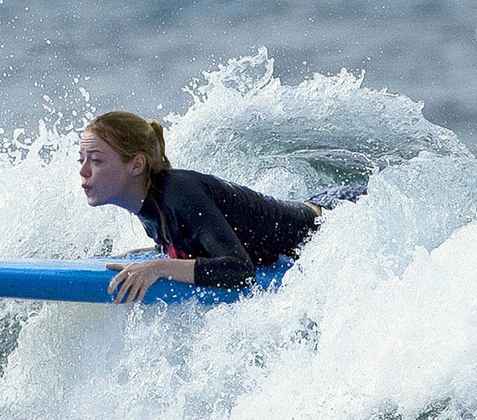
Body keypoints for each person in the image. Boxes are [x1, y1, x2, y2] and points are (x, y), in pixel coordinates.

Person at [78, 110, 367, 303]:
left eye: (97, 160)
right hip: (321, 213)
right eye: (81, 159)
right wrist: (151, 256)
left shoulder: (178, 192)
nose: (84, 171)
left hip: (342, 217)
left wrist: (157, 267)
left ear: (136, 164)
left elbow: (239, 270)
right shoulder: (149, 206)